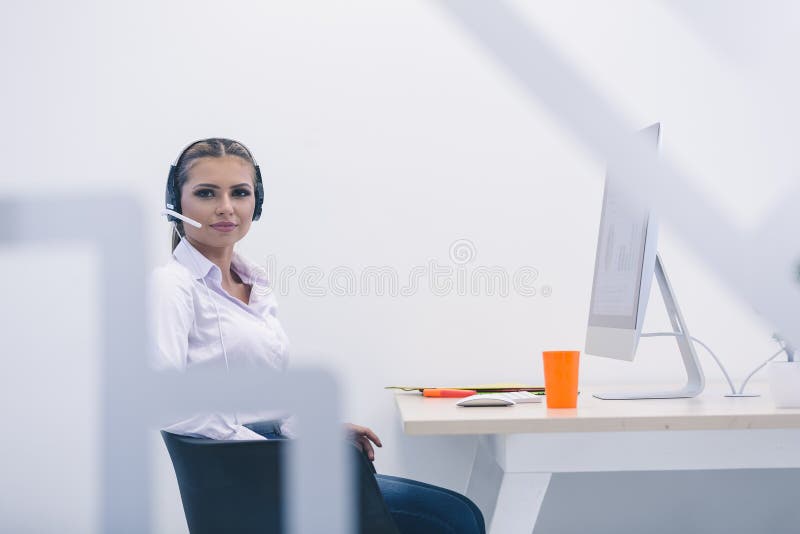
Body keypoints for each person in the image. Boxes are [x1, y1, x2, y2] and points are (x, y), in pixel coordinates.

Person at [152, 138, 485, 534]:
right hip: (243, 480)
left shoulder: (252, 282)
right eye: (206, 193)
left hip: (276, 465)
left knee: (460, 511)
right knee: (449, 519)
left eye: (240, 193)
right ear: (177, 202)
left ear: (255, 205)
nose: (226, 207)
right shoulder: (172, 286)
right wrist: (261, 445)